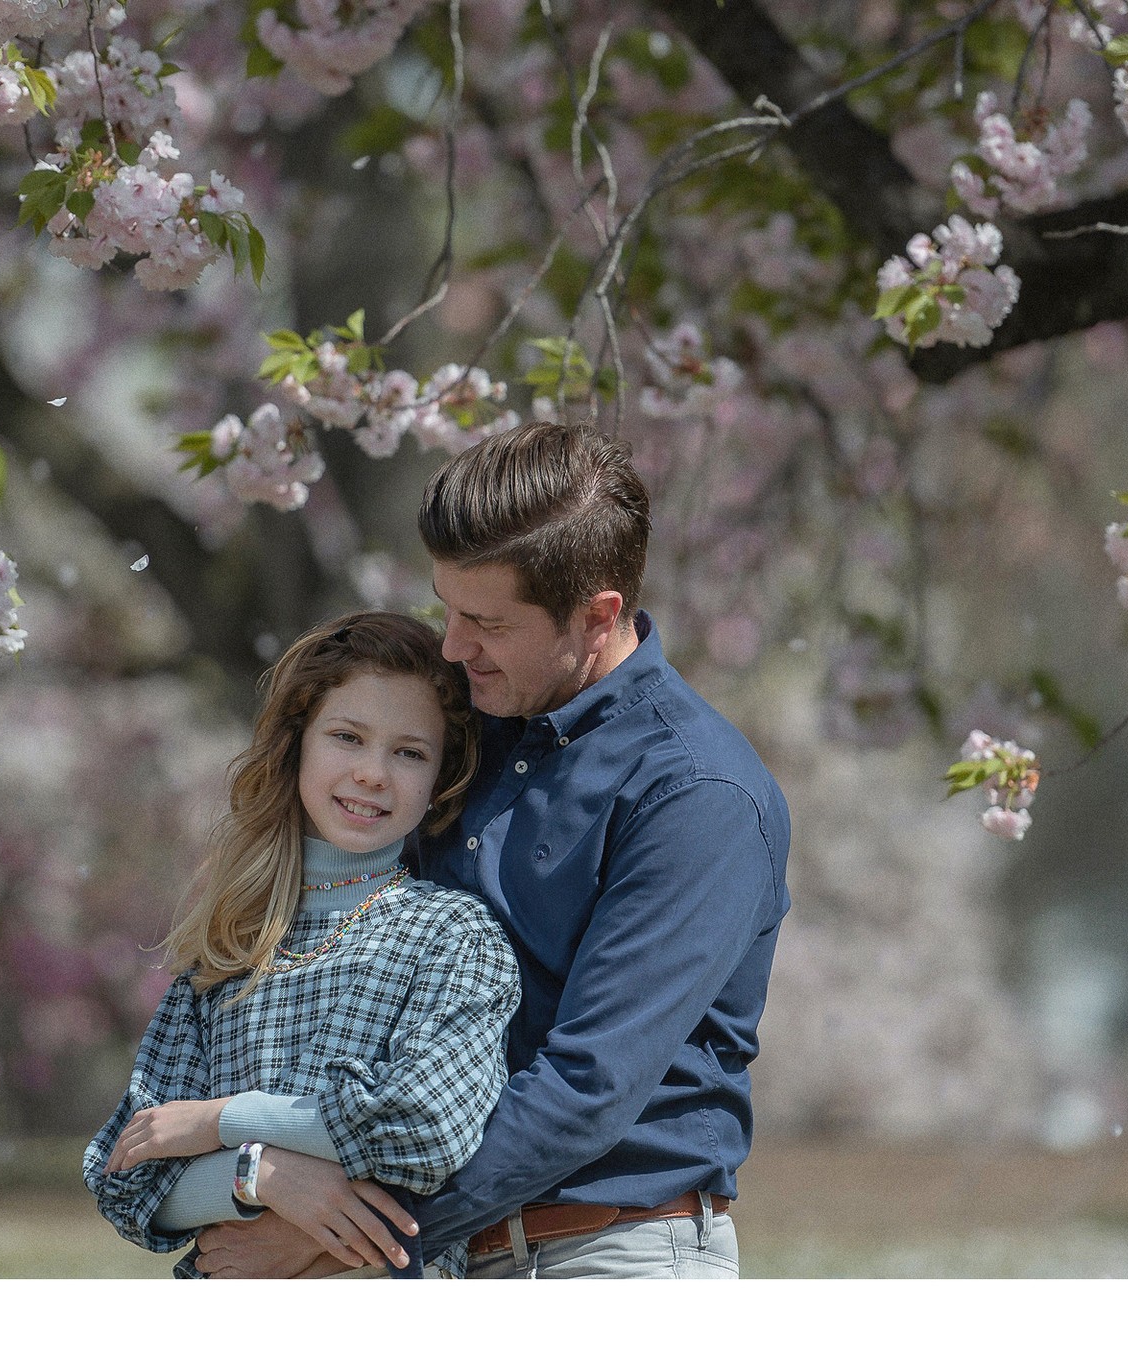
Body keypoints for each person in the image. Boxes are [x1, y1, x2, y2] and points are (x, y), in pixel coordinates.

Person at [191, 422, 792, 1279]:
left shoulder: (696, 796)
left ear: (597, 617)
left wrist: (336, 1233)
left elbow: (584, 1089)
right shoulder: (455, 732)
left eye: (485, 622)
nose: (451, 645)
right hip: (428, 1263)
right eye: (446, 607)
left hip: (605, 1259)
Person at [83, 611, 520, 1278]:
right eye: (347, 737)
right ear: (298, 745)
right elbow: (128, 1175)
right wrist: (262, 1175)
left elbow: (428, 1126)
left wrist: (224, 1121)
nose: (373, 773)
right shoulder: (230, 952)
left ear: (440, 778)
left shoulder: (452, 937)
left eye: (409, 752)